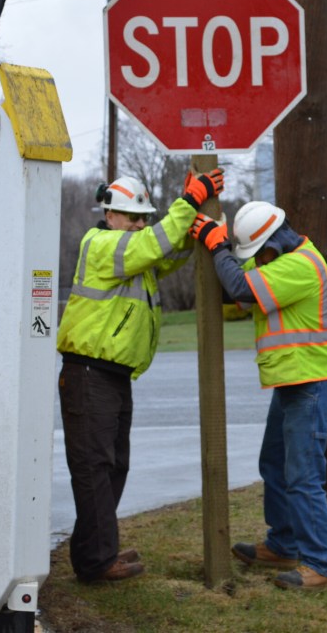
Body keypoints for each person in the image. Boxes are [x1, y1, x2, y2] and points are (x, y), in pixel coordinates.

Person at [57, 171, 224, 582]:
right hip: (90, 373)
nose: (139, 223)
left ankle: (98, 550)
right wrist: (188, 201)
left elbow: (168, 251)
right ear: (109, 213)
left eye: (142, 217)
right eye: (131, 216)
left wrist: (200, 227)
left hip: (109, 375)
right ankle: (97, 561)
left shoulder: (132, 252)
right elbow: (154, 244)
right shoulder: (102, 245)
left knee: (113, 467)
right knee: (95, 468)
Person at [190, 200, 327, 591]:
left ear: (276, 241)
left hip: (313, 383)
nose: (257, 262)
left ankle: (320, 565)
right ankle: (284, 544)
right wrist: (218, 242)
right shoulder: (279, 261)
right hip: (296, 382)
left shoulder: (300, 266)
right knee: (274, 464)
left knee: (303, 477)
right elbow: (236, 289)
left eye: (259, 254)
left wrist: (217, 247)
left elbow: (240, 285)